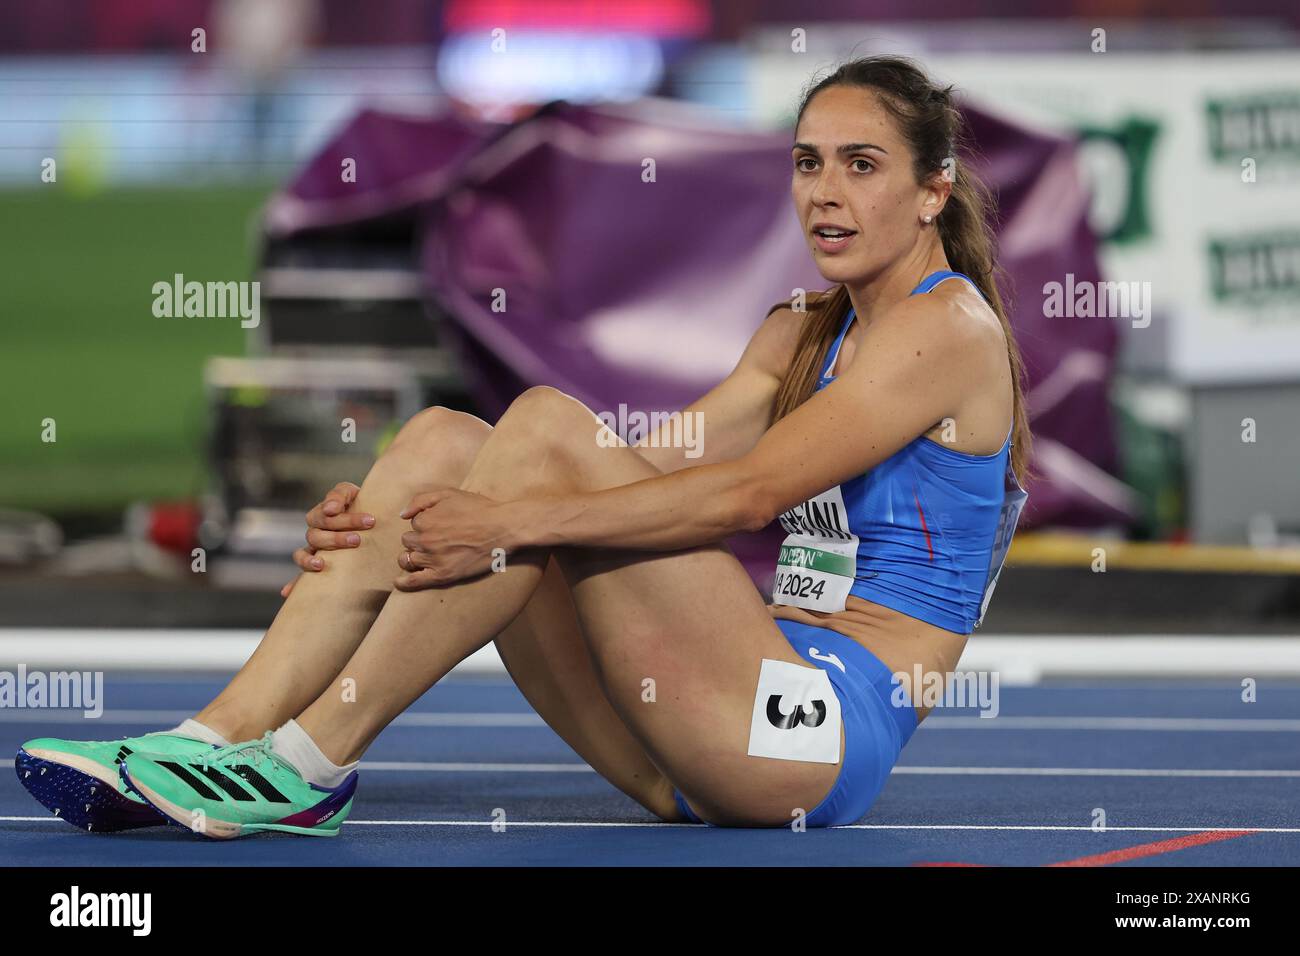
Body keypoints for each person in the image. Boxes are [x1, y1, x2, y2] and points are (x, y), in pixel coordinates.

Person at [17, 54, 1030, 837]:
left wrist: (503, 520)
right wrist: (389, 530)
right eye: (808, 162)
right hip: (686, 728)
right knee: (445, 440)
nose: (824, 192)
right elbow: (664, 458)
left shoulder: (948, 331)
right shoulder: (797, 330)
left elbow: (746, 494)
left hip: (809, 734)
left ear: (932, 190)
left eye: (862, 166)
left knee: (537, 432)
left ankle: (306, 764)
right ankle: (209, 738)